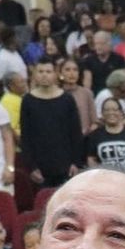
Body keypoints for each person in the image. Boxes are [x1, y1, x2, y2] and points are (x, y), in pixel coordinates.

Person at [18, 58, 84, 188]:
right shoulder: (28, 100)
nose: (44, 75)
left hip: (65, 165)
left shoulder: (66, 99)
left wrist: (76, 162)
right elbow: (26, 136)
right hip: (40, 168)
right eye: (40, 71)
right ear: (34, 74)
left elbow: (75, 132)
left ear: (55, 74)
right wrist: (31, 167)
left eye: (48, 71)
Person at [86, 96, 125, 176]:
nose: (111, 113)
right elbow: (91, 158)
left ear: (121, 112)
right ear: (102, 113)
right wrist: (98, 176)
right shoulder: (95, 135)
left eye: (115, 110)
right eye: (107, 110)